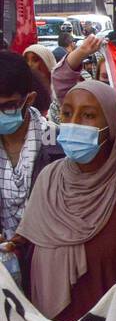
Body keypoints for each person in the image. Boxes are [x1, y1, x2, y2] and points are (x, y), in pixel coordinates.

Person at [15, 80, 116, 321]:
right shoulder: (48, 178)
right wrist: (11, 250)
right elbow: (30, 244)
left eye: (88, 115)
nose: (73, 123)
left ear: (112, 126)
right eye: (67, 113)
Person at [0, 53, 62, 285]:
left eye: (7, 106)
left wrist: (30, 236)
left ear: (30, 99)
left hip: (49, 263)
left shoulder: (58, 145)